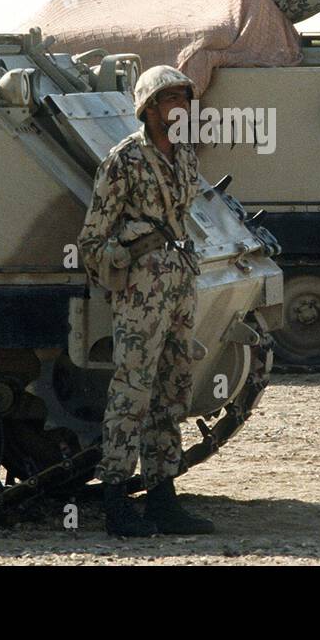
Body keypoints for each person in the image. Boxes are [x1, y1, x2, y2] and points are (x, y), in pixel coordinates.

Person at [77, 65, 215, 537]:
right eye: (173, 99)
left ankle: (162, 499)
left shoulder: (186, 158)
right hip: (140, 291)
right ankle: (115, 501)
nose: (183, 107)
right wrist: (127, 257)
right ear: (150, 107)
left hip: (179, 282)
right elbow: (92, 240)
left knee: (172, 391)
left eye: (186, 99)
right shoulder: (124, 161)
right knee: (131, 391)